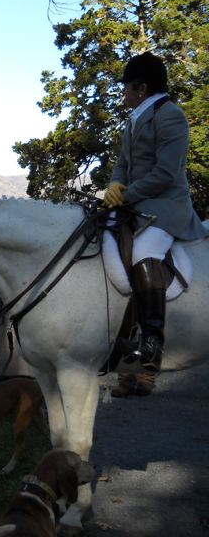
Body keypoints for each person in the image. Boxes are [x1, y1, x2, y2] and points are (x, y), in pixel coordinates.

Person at [104, 51, 207, 391]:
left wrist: (127, 193)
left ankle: (151, 351)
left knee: (144, 254)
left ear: (142, 87)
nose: (124, 94)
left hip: (166, 207)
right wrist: (115, 185)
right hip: (136, 205)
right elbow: (123, 163)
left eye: (126, 88)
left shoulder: (170, 116)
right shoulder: (135, 119)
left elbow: (166, 173)